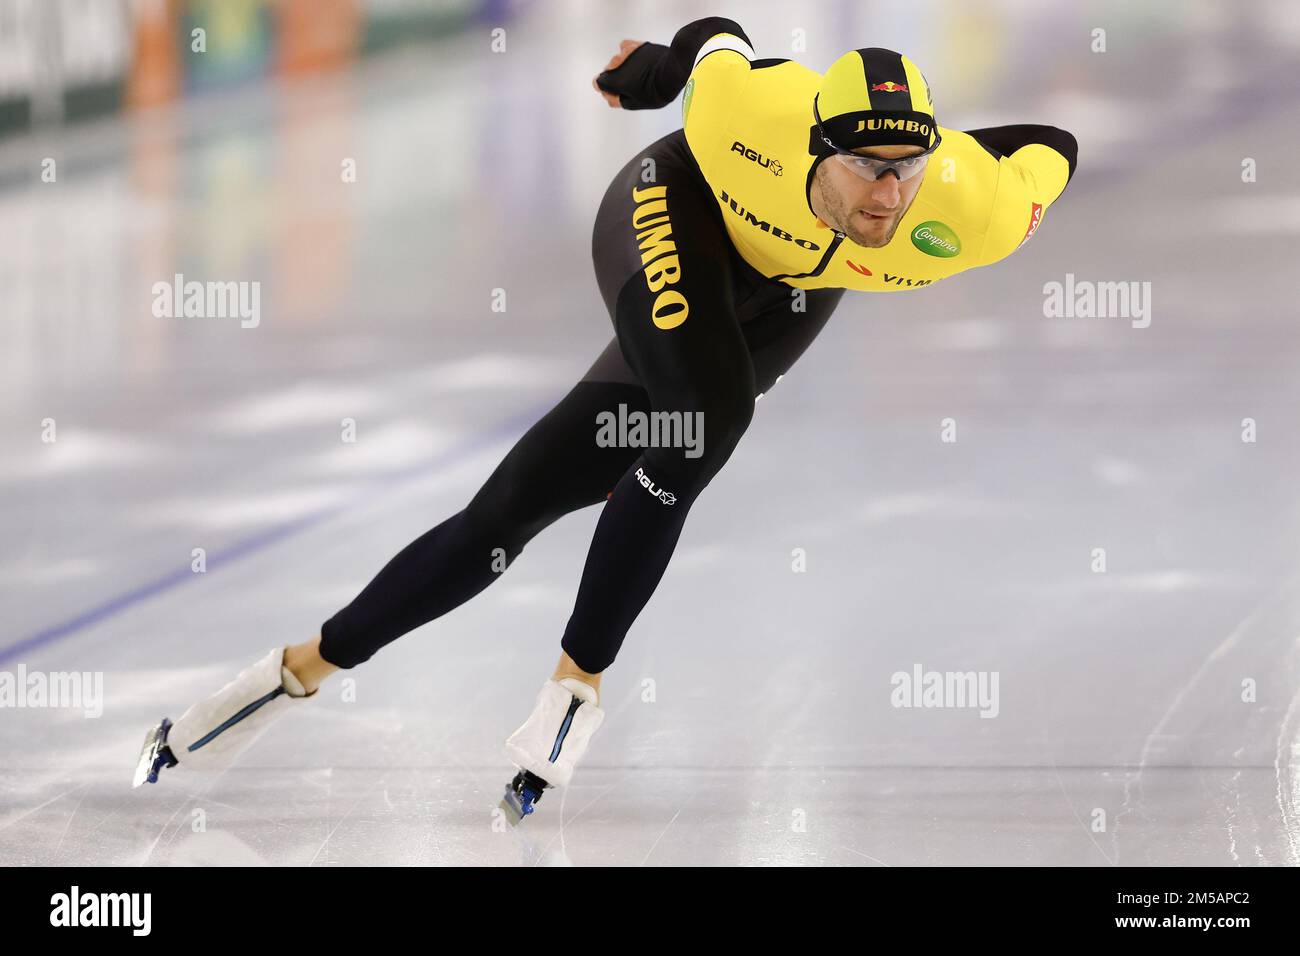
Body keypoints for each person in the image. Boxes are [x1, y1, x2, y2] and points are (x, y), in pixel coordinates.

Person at [134, 17, 1078, 820]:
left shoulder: (967, 212)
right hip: (678, 212)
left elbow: (1054, 147)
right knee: (705, 416)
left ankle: (292, 672)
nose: (890, 196)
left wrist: (955, 156)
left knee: (517, 509)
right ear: (818, 144)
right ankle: (574, 686)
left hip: (793, 289)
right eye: (870, 168)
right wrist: (655, 72)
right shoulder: (747, 116)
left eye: (908, 169)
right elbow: (715, 41)